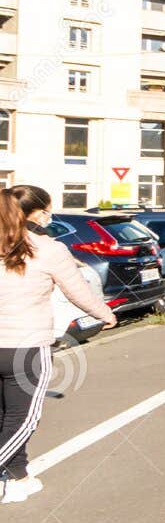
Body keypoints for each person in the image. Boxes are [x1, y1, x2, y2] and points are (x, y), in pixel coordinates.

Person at [0, 185, 116, 504]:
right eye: (47, 209)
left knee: (5, 416)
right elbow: (76, 291)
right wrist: (105, 314)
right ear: (36, 213)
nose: (49, 216)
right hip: (26, 347)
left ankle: (18, 476)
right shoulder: (46, 248)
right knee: (24, 418)